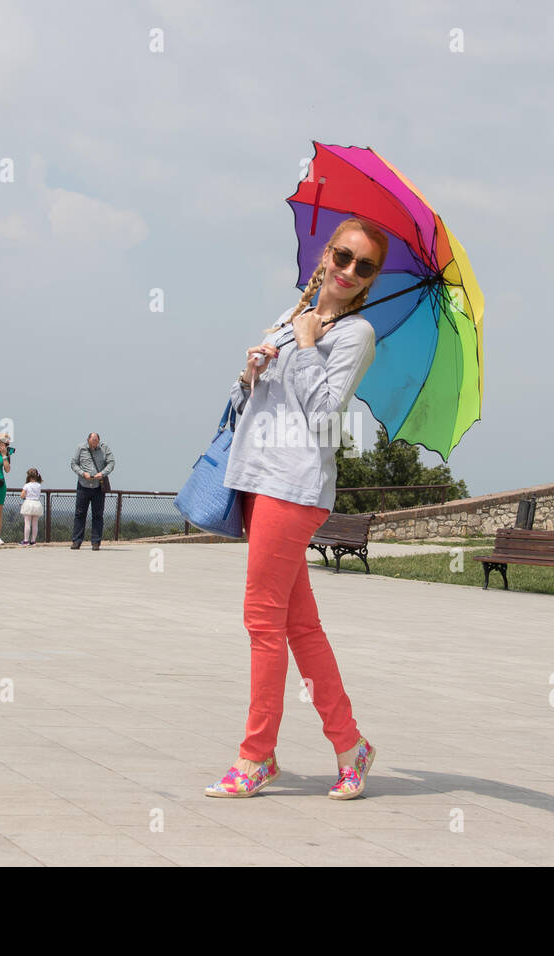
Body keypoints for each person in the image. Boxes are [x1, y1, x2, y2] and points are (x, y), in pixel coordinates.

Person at [205, 217, 384, 800]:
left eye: (364, 266)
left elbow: (326, 415)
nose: (348, 270)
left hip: (294, 485)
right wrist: (251, 369)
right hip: (257, 477)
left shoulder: (356, 334)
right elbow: (247, 401)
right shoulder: (288, 317)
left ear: (369, 280)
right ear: (325, 255)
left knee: (261, 621)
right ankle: (351, 745)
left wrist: (307, 346)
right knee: (298, 625)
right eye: (343, 255)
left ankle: (256, 756)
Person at [69, 432, 115, 550]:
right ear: (88, 440)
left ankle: (96, 542)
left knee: (98, 515)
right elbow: (73, 464)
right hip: (83, 485)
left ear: (99, 441)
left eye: (96, 442)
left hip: (98, 486)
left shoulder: (105, 448)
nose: (94, 445)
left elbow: (111, 463)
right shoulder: (80, 448)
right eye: (92, 443)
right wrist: (82, 473)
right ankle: (76, 541)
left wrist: (103, 473)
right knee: (80, 514)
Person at [19, 468, 43, 546]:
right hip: (37, 503)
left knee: (27, 523)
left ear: (28, 476)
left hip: (28, 503)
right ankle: (33, 540)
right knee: (35, 523)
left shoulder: (27, 485)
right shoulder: (39, 485)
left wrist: (24, 496)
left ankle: (26, 540)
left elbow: (22, 495)